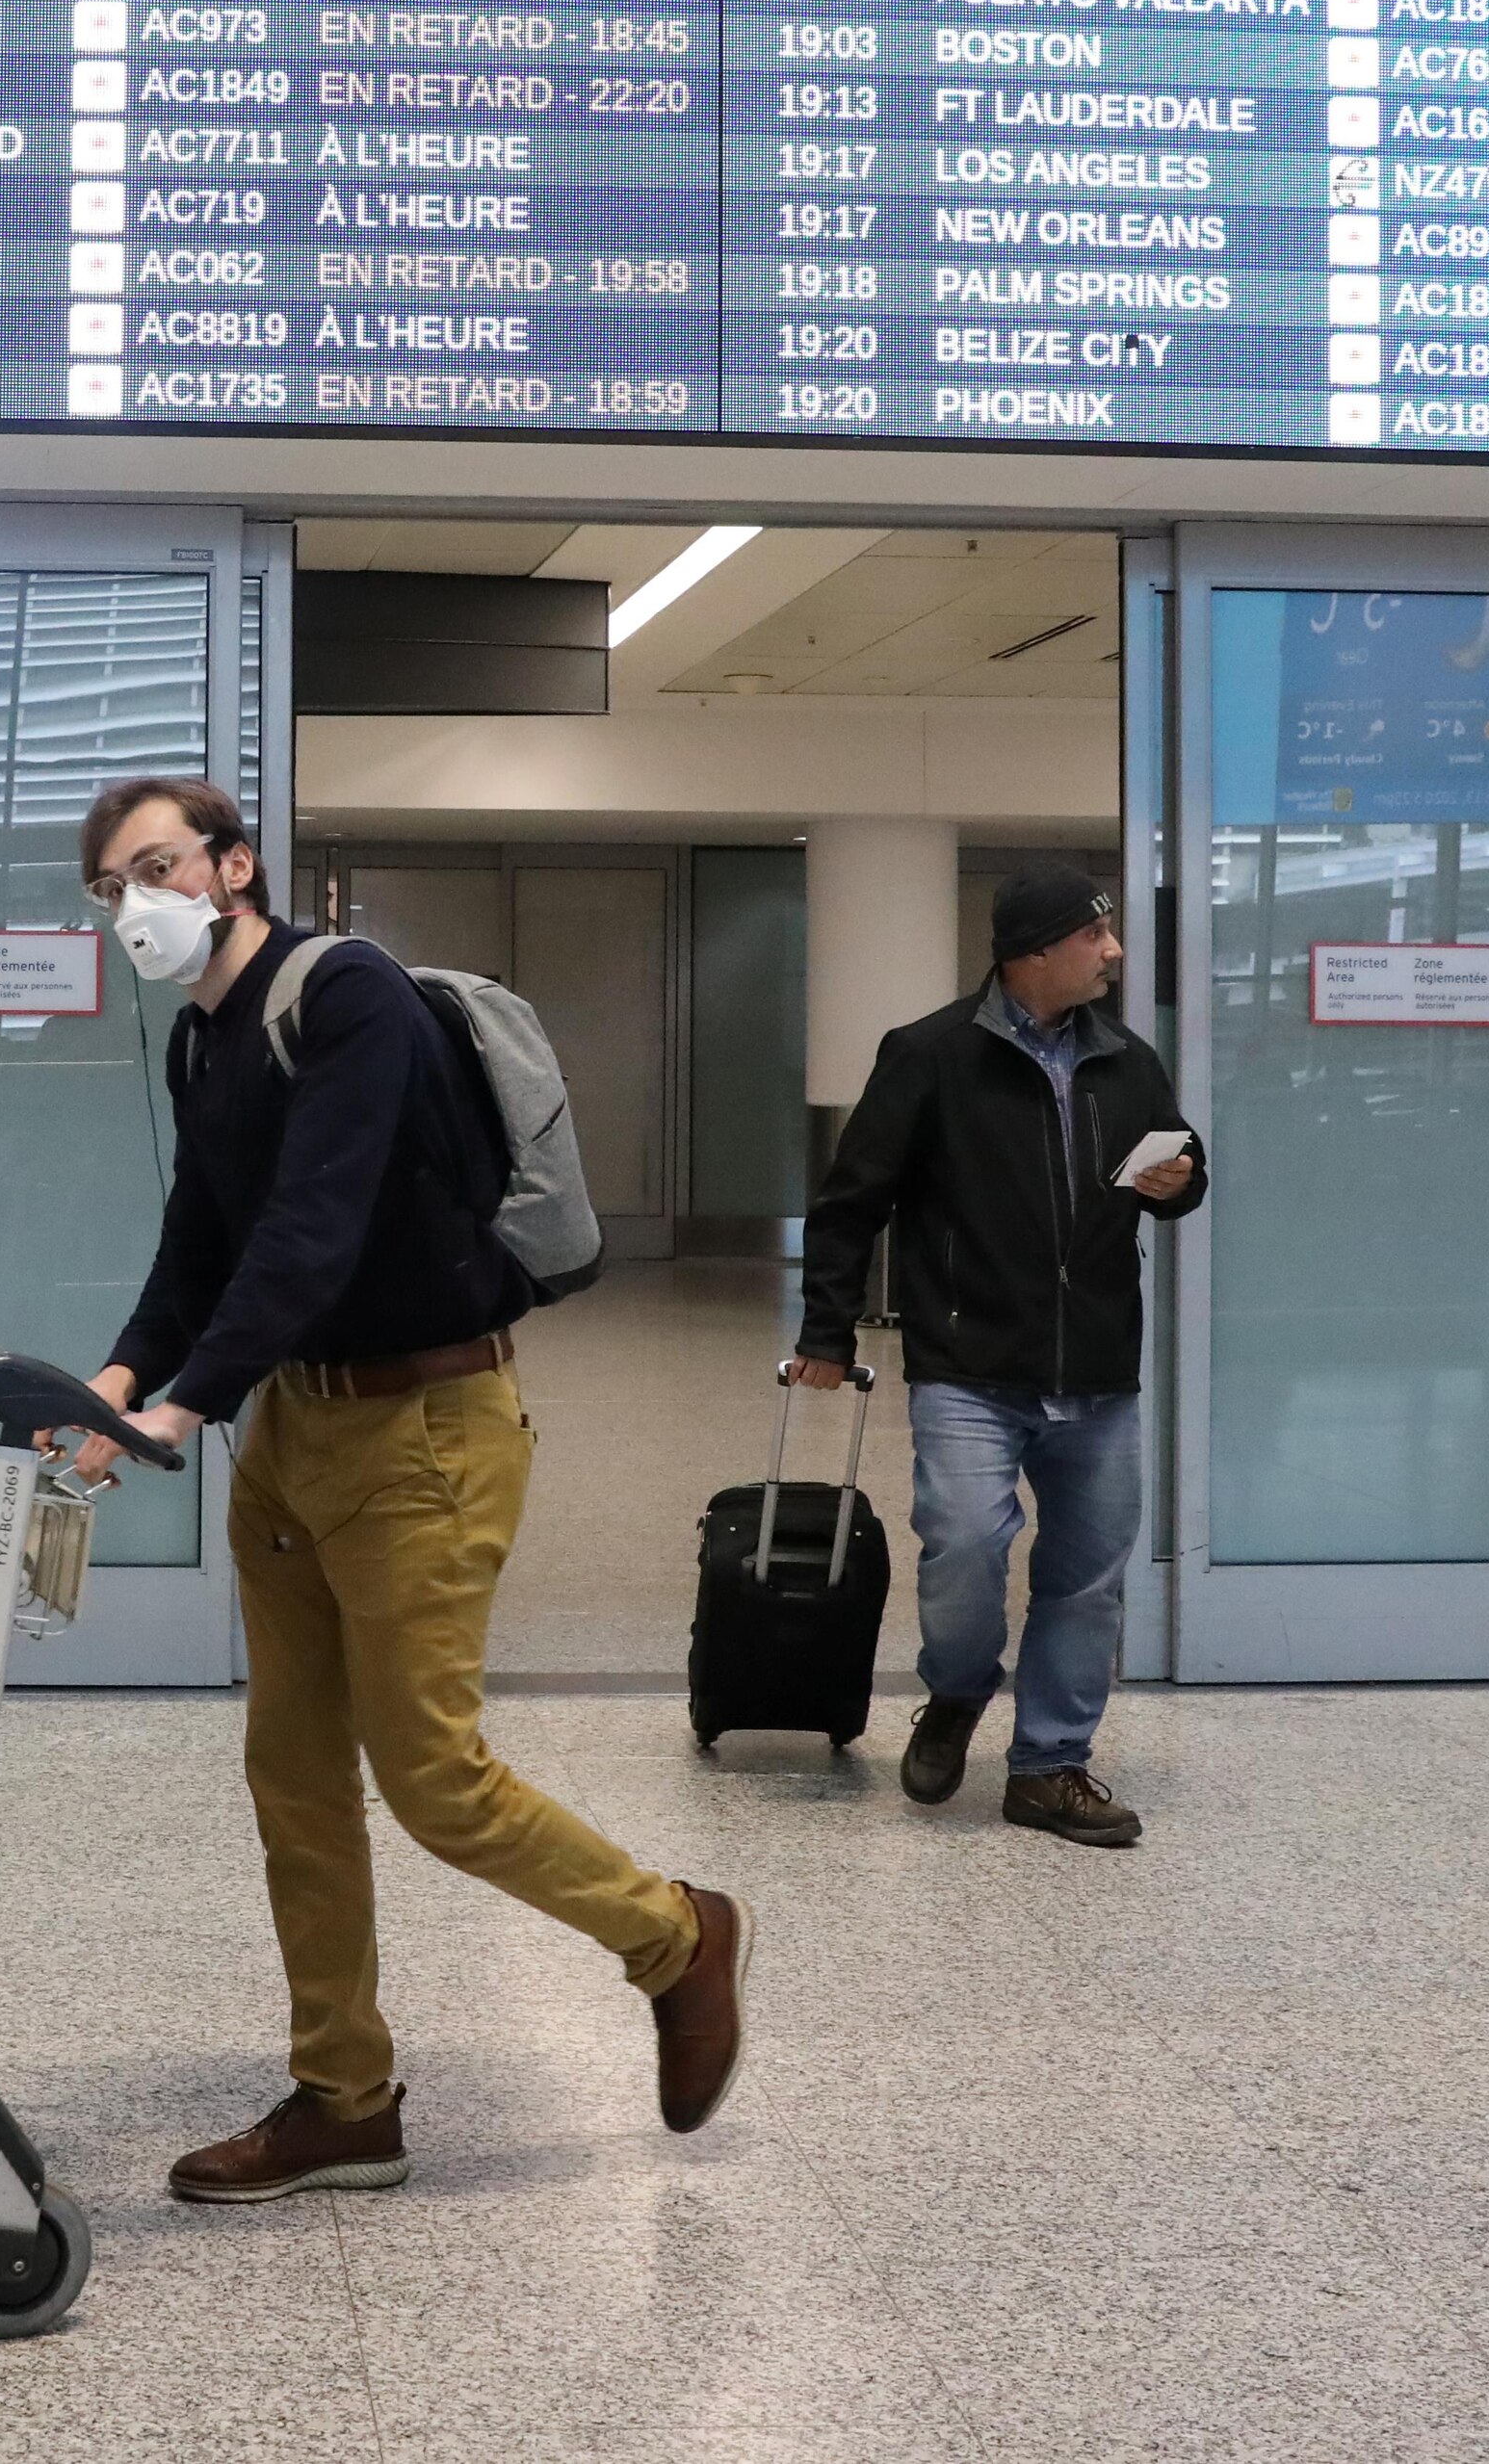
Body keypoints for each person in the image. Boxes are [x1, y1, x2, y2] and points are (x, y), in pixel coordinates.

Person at [61, 773, 751, 2205]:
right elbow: (199, 1246)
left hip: (426, 1428)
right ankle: (344, 2099)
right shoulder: (202, 1044)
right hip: (301, 1437)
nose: (139, 902)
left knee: (433, 1777)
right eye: (113, 885)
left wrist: (195, 1397)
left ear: (234, 866)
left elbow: (314, 1230)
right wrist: (119, 1384)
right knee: (295, 1781)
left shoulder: (349, 997)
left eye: (159, 866)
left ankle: (676, 1936)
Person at [792, 858, 1205, 1844]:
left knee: (1084, 1579)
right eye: (1091, 937)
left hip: (1098, 1369)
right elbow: (853, 1202)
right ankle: (958, 1691)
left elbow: (1180, 1161)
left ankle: (1049, 1765)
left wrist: (1180, 1181)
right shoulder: (929, 1054)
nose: (1109, 953)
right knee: (967, 1548)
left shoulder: (1125, 1058)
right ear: (1032, 954)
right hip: (969, 1364)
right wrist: (824, 1326)